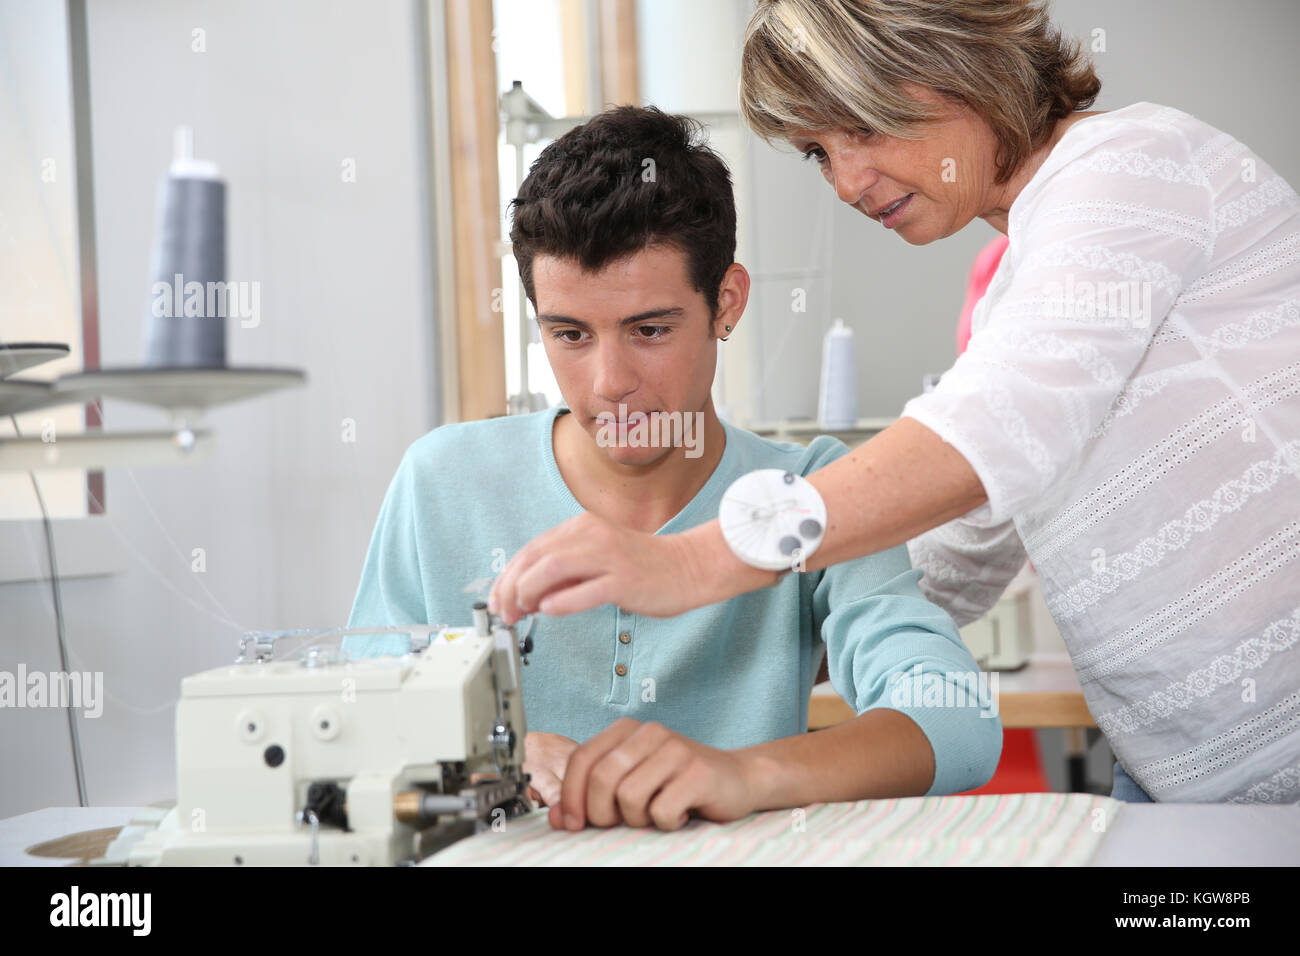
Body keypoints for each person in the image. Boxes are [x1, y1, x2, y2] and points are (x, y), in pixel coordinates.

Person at [490, 0, 1300, 805]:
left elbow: (995, 427)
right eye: (817, 151)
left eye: (863, 128)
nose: (846, 182)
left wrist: (692, 563)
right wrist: (741, 653)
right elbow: (959, 552)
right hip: (1186, 789)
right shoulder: (1014, 293)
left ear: (959, 61)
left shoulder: (1134, 165)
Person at [344, 105, 1002, 831]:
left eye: (649, 330)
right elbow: (350, 722)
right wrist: (480, 753)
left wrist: (744, 772)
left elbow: (959, 724)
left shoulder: (808, 492)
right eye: (569, 334)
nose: (609, 381)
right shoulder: (442, 481)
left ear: (726, 302)